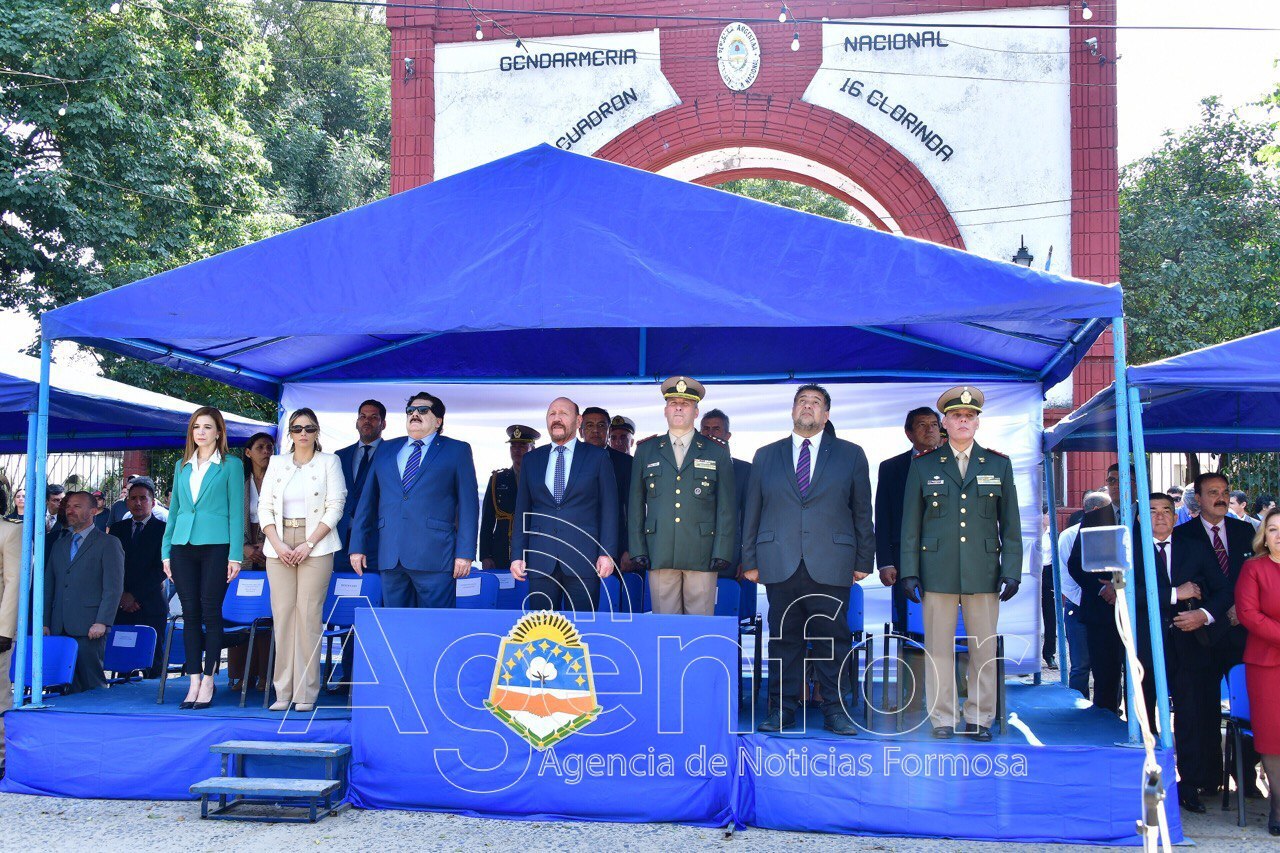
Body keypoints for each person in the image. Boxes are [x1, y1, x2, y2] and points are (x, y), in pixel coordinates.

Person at [741, 384, 873, 735]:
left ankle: (835, 710)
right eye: (802, 401)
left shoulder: (851, 454)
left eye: (816, 403)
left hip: (832, 562)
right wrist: (749, 559)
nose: (808, 407)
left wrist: (864, 559)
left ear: (826, 414)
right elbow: (752, 510)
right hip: (779, 560)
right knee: (783, 640)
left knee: (832, 640)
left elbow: (862, 510)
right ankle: (781, 710)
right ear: (792, 410)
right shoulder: (766, 455)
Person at [899, 385, 1022, 741]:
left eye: (970, 416)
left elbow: (1010, 524)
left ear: (978, 423)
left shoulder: (998, 464)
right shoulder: (924, 466)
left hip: (983, 571)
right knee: (938, 647)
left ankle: (980, 717)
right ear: (945, 423)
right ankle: (942, 717)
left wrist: (1011, 569)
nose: (963, 421)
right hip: (937, 571)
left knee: (983, 648)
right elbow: (911, 525)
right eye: (956, 416)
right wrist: (909, 570)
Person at [1137, 492, 1231, 813]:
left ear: (1176, 515)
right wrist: (1175, 593)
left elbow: (1222, 590)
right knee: (1144, 716)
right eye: (1152, 511)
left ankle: (1189, 786)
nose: (1161, 516)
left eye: (1167, 510)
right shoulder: (1131, 550)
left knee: (1189, 716)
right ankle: (1149, 783)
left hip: (1189, 645)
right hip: (1146, 648)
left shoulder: (1194, 547)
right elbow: (1125, 593)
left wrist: (1203, 615)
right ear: (1141, 517)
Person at [349, 392, 478, 609]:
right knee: (396, 624)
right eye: (410, 410)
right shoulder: (386, 449)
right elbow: (367, 501)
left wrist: (465, 553)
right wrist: (357, 546)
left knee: (435, 625)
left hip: (435, 557)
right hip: (391, 555)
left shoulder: (457, 450)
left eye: (423, 410)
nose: (415, 414)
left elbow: (469, 506)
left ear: (438, 421)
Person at [1174, 471, 1260, 797]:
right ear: (1198, 498)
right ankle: (1205, 779)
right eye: (1213, 492)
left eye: (1224, 491)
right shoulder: (1183, 535)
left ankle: (1246, 779)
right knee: (1201, 707)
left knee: (1246, 704)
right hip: (1201, 635)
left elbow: (1252, 576)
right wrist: (1213, 613)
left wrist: (1243, 609)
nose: (1221, 497)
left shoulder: (1245, 531)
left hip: (1240, 632)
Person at [258, 408, 346, 712]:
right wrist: (277, 543)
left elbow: (336, 506)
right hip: (279, 542)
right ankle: (282, 691)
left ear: (316, 431)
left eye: (309, 428)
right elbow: (264, 506)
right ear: (290, 433)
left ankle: (306, 692)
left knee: (308, 616)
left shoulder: (329, 462)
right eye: (297, 428)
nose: (303, 433)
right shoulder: (277, 463)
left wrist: (309, 543)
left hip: (316, 543)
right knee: (283, 616)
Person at [161, 406, 245, 710]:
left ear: (219, 432)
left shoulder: (231, 465)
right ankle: (194, 680)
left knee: (211, 611)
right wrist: (166, 551)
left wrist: (236, 555)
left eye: (208, 427)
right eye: (196, 426)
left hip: (217, 546)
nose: (201, 432)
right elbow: (175, 511)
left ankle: (209, 679)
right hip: (182, 545)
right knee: (190, 614)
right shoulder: (181, 465)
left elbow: (237, 512)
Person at [629, 376, 736, 615]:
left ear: (696, 412)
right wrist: (637, 548)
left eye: (685, 404)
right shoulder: (646, 450)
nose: (678, 408)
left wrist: (722, 550)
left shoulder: (716, 451)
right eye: (673, 403)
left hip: (702, 552)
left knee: (700, 627)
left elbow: (726, 507)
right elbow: (636, 504)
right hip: (659, 550)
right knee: (665, 626)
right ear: (665, 410)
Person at [510, 399, 617, 614]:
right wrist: (517, 554)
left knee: (582, 626)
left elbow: (609, 509)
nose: (556, 419)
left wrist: (607, 553)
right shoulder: (532, 459)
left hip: (583, 558)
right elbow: (522, 510)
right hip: (541, 558)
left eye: (563, 414)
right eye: (552, 414)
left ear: (578, 421)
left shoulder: (597, 457)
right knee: (541, 627)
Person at [1066, 463, 1137, 715]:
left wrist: (1121, 588)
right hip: (1102, 610)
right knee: (1105, 677)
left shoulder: (1149, 515)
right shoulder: (1094, 517)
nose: (1116, 485)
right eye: (1111, 480)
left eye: (1122, 479)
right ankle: (1106, 723)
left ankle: (1143, 725)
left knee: (1140, 676)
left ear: (1136, 482)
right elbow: (1076, 563)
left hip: (1139, 609)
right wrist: (1102, 590)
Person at [44, 491, 125, 693]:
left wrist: (103, 621)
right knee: (61, 686)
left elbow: (113, 587)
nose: (70, 510)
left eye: (77, 506)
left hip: (90, 627)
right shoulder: (59, 544)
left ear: (93, 511)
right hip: (59, 626)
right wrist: (45, 622)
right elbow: (49, 586)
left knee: (92, 684)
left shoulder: (108, 543)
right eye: (68, 506)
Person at [875, 406, 942, 633]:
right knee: (910, 626)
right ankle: (911, 657)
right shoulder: (891, 468)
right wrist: (885, 563)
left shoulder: (955, 464)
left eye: (934, 425)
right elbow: (882, 517)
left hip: (947, 559)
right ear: (909, 433)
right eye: (922, 425)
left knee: (948, 627)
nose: (929, 430)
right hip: (905, 560)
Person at [1236, 507, 1280, 835]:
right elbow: (1248, 614)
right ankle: (1278, 805)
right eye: (1273, 529)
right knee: (1272, 737)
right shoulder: (1254, 568)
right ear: (1264, 536)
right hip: (1266, 664)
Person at [227, 431, 275, 693]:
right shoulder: (239, 483)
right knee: (241, 614)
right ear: (248, 452)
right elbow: (227, 520)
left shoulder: (280, 480)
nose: (266, 451)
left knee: (268, 616)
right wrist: (243, 548)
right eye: (260, 447)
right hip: (244, 556)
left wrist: (269, 546)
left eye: (270, 447)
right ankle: (240, 675)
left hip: (273, 552)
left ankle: (266, 675)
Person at [107, 478, 168, 679]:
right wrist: (122, 595)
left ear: (153, 502)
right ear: (127, 502)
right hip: (122, 604)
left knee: (152, 661)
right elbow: (112, 566)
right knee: (123, 658)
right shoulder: (117, 529)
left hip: (151, 604)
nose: (138, 503)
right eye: (133, 498)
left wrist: (134, 596)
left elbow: (162, 569)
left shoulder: (165, 530)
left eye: (143, 498)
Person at [1056, 490, 1111, 698]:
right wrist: (1090, 597)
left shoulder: (1112, 532)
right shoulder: (1070, 536)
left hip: (1107, 606)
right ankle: (1077, 706)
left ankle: (1109, 708)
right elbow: (1065, 575)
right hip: (1078, 606)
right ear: (1096, 510)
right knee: (1080, 665)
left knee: (1108, 663)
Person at [699, 408, 752, 578]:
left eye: (716, 429)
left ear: (727, 435)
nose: (710, 433)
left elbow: (749, 518)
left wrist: (746, 558)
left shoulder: (744, 470)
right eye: (706, 429)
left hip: (729, 557)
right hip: (691, 555)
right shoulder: (685, 467)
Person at [334, 399, 386, 570]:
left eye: (373, 417)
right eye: (362, 416)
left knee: (375, 587)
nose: (367, 421)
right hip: (343, 538)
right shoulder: (339, 456)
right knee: (341, 586)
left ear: (383, 424)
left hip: (378, 540)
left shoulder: (393, 454)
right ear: (356, 422)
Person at [480, 425, 539, 570]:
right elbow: (487, 521)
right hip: (502, 549)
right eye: (513, 446)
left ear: (532, 448)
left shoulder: (541, 478)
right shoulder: (498, 479)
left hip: (534, 548)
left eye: (522, 446)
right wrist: (485, 555)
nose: (517, 450)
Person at [582, 406, 632, 571]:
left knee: (611, 588)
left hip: (614, 548)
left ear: (608, 431)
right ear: (580, 431)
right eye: (589, 425)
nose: (595, 430)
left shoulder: (626, 463)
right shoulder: (568, 460)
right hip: (577, 545)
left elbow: (633, 510)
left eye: (601, 425)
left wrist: (629, 548)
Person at [0, 493, 21, 772]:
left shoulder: (10, 531)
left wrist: (5, 630)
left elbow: (14, 582)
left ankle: (1, 756)